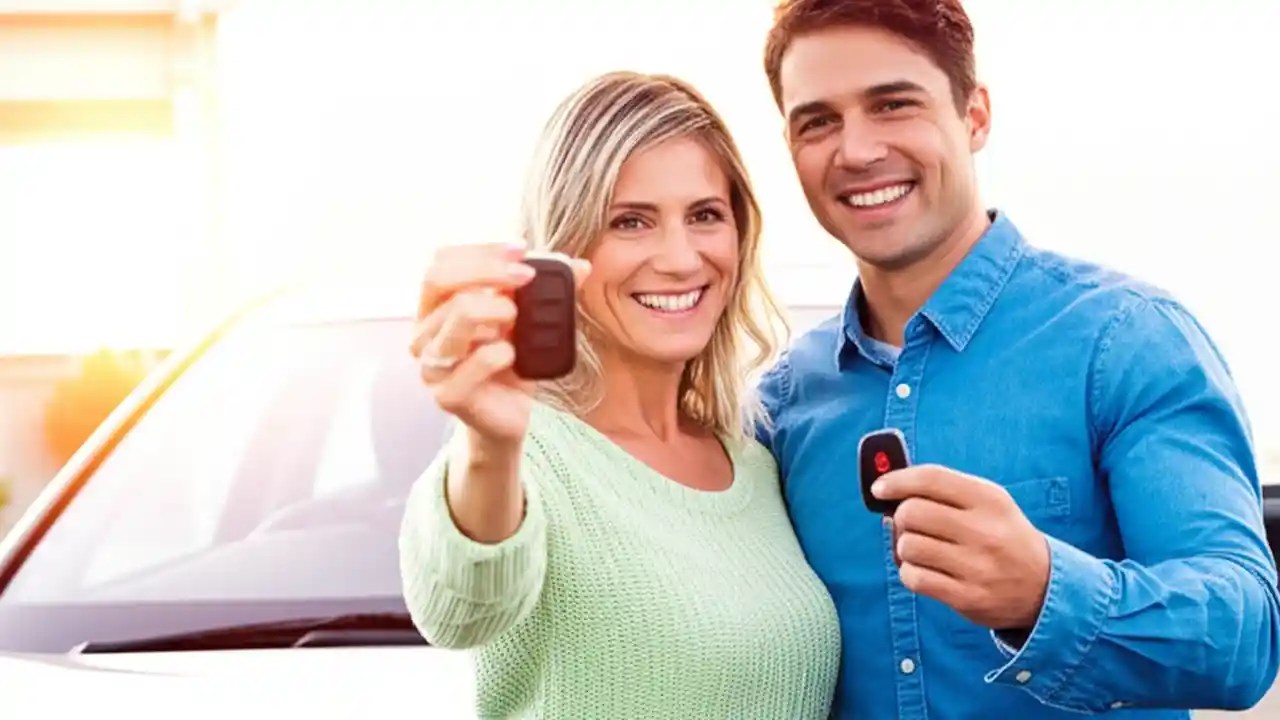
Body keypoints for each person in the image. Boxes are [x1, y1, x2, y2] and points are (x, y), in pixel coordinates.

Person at [754, 1, 1280, 718]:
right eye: (817, 121)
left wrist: (1043, 592)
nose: (856, 150)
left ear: (975, 116)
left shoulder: (1126, 340)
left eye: (893, 104)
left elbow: (1245, 637)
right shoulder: (782, 406)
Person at [398, 71, 841, 719]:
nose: (680, 258)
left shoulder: (754, 459)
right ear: (565, 247)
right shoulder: (527, 453)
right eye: (630, 221)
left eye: (705, 216)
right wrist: (490, 446)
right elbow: (463, 607)